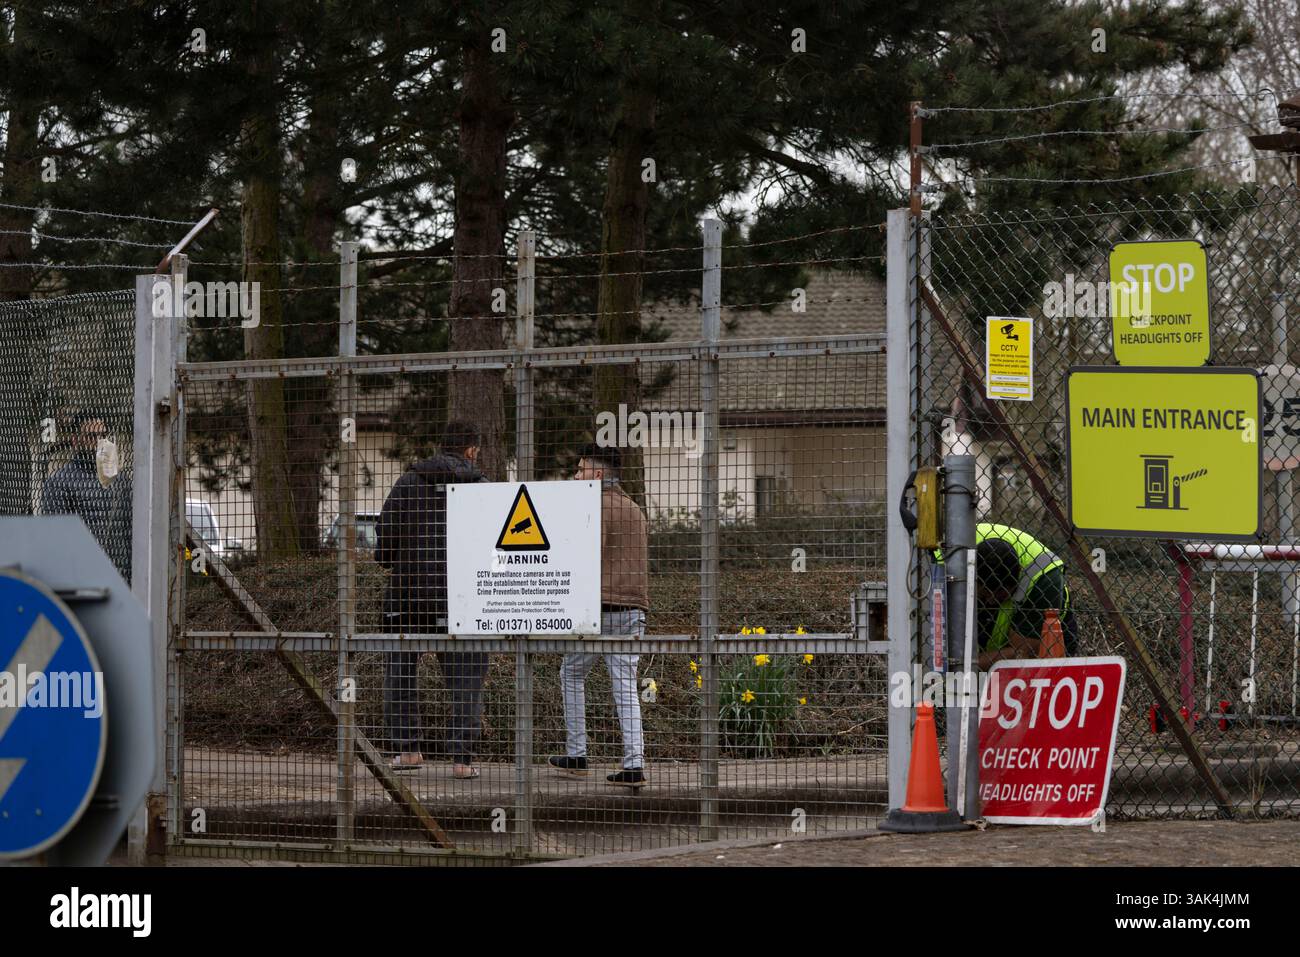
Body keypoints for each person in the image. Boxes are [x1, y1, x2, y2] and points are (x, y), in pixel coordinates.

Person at [376, 420, 488, 778]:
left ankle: (407, 750)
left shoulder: (408, 483)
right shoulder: (482, 488)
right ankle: (462, 760)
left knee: (400, 672)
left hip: (408, 596)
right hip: (464, 599)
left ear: (442, 446)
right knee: (466, 678)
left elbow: (384, 546)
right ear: (471, 450)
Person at [549, 444, 649, 787]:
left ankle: (577, 753)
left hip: (598, 610)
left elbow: (584, 557)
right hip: (633, 610)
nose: (576, 476)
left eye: (580, 470)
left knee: (571, 674)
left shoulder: (592, 508)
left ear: (598, 474)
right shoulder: (636, 510)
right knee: (625, 687)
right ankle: (634, 763)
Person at [41, 412, 132, 580]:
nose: (100, 442)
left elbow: (130, 530)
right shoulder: (60, 483)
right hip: (82, 575)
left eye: (103, 435)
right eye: (92, 436)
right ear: (76, 441)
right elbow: (56, 539)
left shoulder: (120, 480)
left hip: (122, 574)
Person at [974, 522, 1077, 670]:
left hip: (1049, 632)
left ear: (1018, 576)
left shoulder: (1044, 580)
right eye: (985, 594)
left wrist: (961, 666)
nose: (991, 600)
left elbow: (1022, 654)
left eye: (1000, 596)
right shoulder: (947, 553)